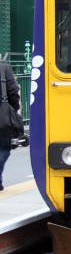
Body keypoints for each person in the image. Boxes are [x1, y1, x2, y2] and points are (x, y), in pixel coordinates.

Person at [0, 60, 21, 191]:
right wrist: (14, 109)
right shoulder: (4, 68)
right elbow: (13, 92)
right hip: (2, 117)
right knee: (3, 149)